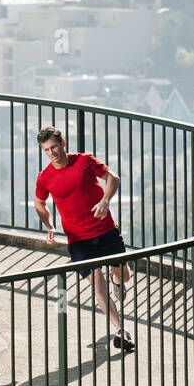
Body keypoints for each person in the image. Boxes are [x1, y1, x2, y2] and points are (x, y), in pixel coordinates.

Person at [33, 125, 134, 353]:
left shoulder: (84, 161)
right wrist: (48, 224)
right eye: (47, 150)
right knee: (99, 287)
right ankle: (121, 330)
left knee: (124, 275)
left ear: (63, 143)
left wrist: (105, 200)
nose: (52, 153)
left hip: (105, 231)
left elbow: (113, 178)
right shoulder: (45, 177)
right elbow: (39, 202)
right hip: (79, 241)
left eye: (54, 147)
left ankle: (117, 280)